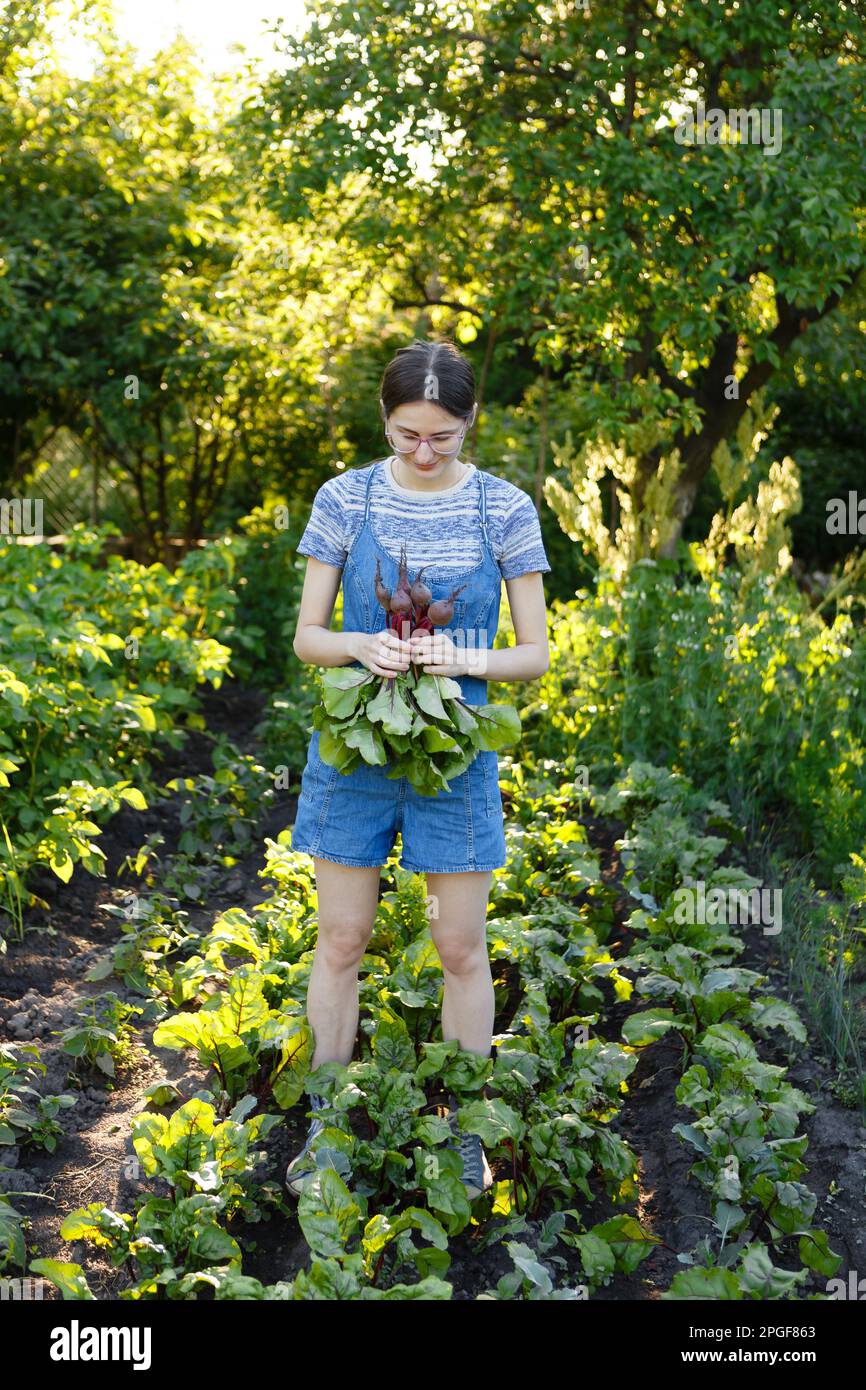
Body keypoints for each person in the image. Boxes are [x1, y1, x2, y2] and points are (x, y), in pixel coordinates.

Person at [286, 337, 551, 1200]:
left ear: (471, 421)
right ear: (385, 422)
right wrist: (362, 643)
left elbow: (536, 654)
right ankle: (327, 1122)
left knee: (459, 944)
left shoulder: (505, 508)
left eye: (443, 436)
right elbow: (307, 637)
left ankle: (468, 1129)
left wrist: (456, 657)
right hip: (355, 748)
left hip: (454, 753)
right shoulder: (346, 499)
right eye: (407, 436)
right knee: (341, 938)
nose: (425, 452)